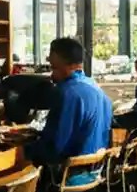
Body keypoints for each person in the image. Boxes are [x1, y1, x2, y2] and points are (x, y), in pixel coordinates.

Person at [23, 38, 113, 177]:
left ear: (64, 63)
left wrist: (24, 149)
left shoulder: (66, 92)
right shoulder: (95, 87)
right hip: (96, 173)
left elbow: (54, 148)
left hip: (71, 176)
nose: (51, 75)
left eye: (54, 67)